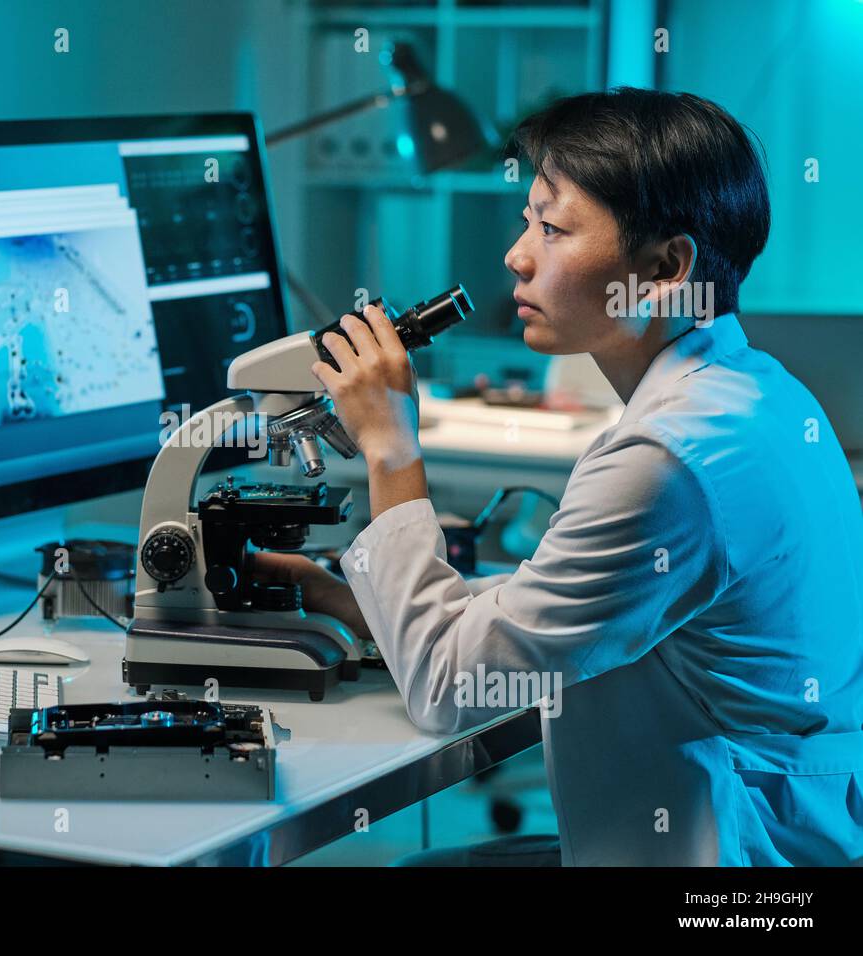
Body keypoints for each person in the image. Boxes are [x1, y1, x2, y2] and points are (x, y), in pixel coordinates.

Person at [255, 88, 863, 866]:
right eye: (526, 220)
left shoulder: (666, 462)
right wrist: (350, 601)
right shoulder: (759, 394)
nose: (518, 254)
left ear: (664, 267)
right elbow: (567, 603)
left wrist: (391, 449)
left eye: (554, 227)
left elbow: (450, 690)